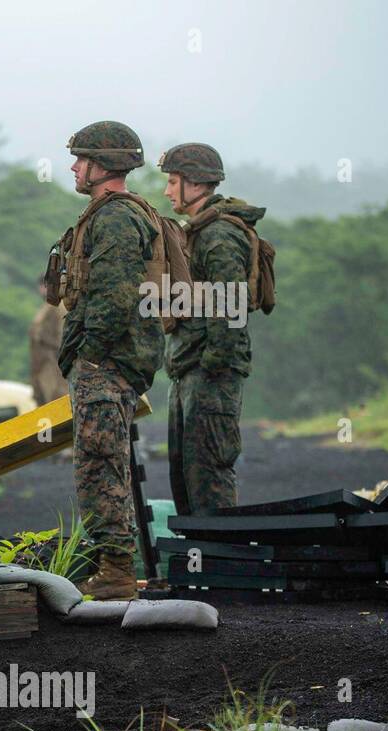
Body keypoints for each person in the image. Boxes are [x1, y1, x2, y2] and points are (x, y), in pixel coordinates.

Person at [50, 121, 165, 600]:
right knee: (101, 462)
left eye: (81, 159)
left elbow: (115, 298)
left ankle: (117, 571)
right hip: (109, 362)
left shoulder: (116, 217)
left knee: (100, 464)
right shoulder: (108, 214)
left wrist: (91, 358)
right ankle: (112, 567)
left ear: (103, 165)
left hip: (108, 363)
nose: (74, 167)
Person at [159, 142, 261, 515]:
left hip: (209, 373)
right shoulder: (198, 232)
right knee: (186, 474)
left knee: (209, 476)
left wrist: (214, 363)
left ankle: (220, 564)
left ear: (198, 184)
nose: (167, 191)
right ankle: (198, 563)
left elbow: (232, 307)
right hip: (190, 369)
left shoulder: (218, 235)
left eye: (173, 182)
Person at [30, 279, 69, 405]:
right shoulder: (47, 307)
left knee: (57, 404)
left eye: (45, 286)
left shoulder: (59, 306)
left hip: (54, 365)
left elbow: (63, 337)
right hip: (42, 366)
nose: (42, 289)